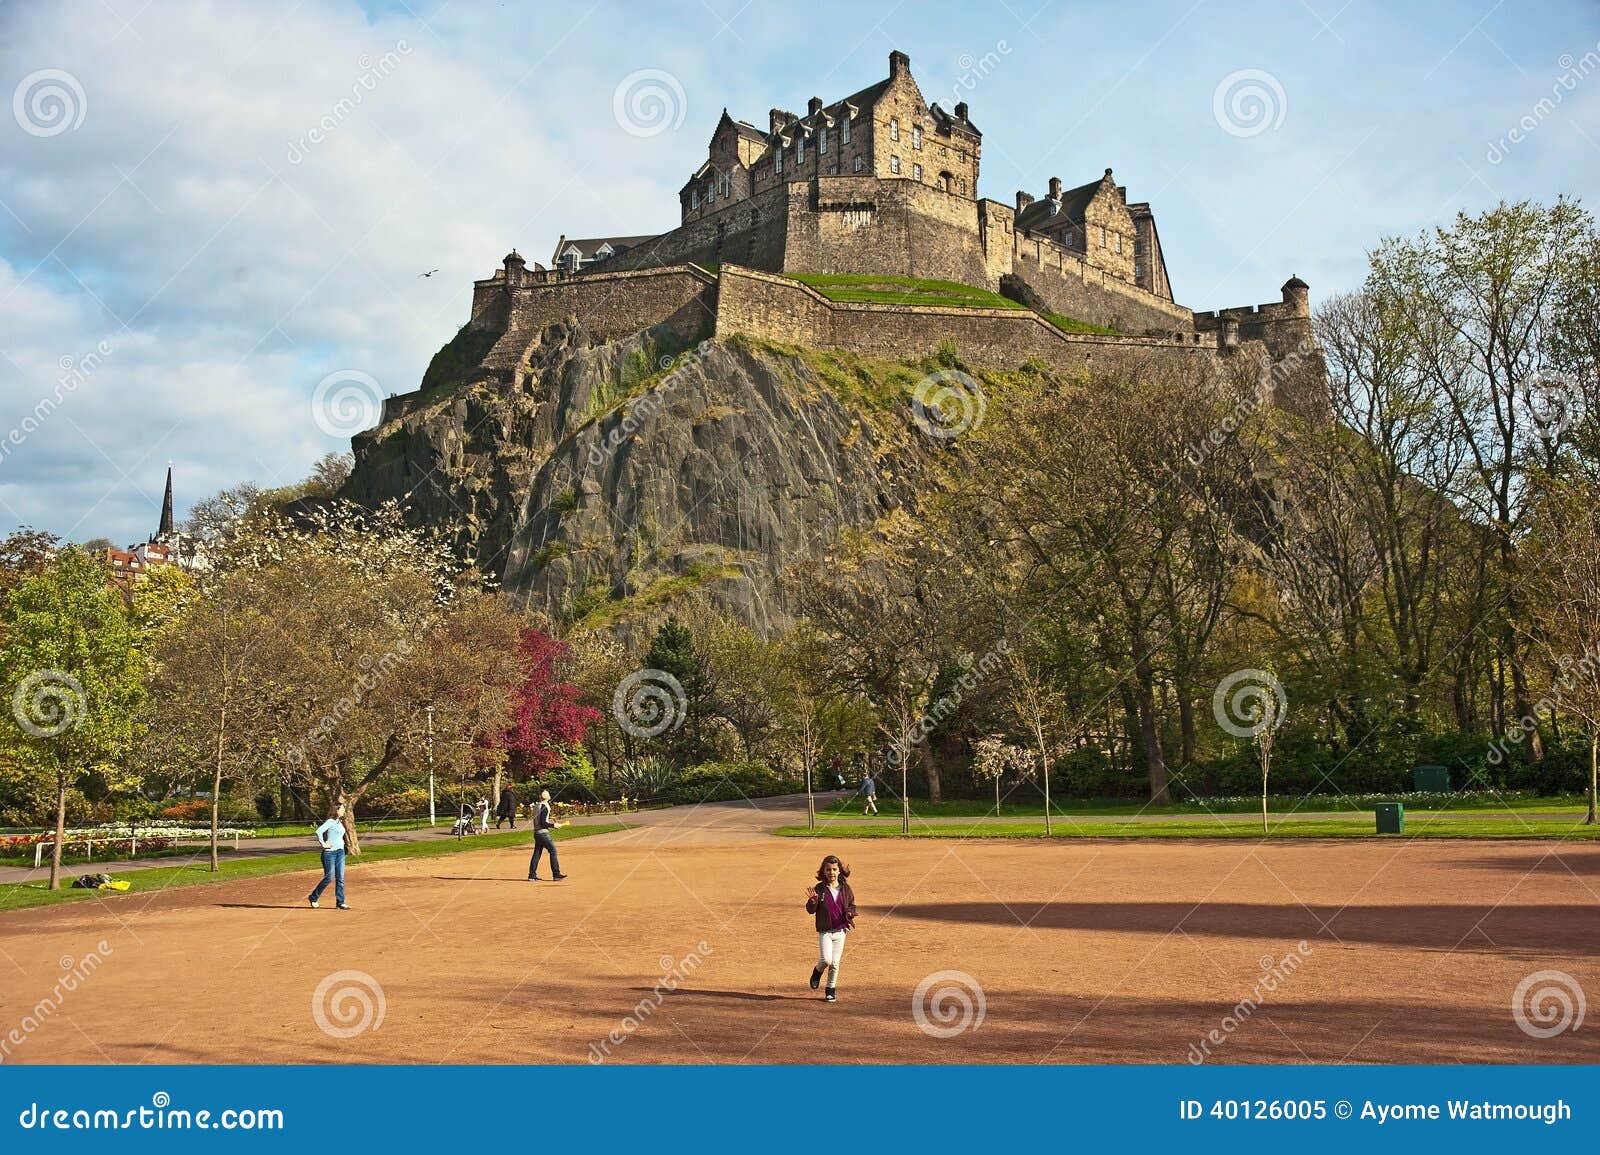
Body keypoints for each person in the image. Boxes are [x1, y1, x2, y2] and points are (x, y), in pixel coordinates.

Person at [804, 854, 855, 1002]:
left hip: (840, 930)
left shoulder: (846, 889)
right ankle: (817, 971)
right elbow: (810, 910)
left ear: (839, 871)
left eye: (834, 869)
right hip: (825, 931)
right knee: (826, 959)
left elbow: (851, 904)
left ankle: (830, 990)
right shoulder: (819, 889)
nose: (831, 872)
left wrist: (850, 913)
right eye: (828, 869)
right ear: (823, 871)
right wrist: (812, 901)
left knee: (835, 963)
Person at [308, 802, 350, 910]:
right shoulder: (330, 822)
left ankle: (340, 902)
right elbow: (319, 831)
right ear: (336, 810)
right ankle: (313, 897)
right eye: (342, 809)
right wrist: (323, 844)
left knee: (340, 878)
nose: (344, 810)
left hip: (340, 852)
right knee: (329, 877)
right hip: (329, 853)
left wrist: (344, 846)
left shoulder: (339, 822)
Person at [527, 789, 568, 881]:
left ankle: (532, 875)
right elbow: (543, 823)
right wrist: (554, 825)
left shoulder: (537, 805)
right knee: (553, 851)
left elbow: (540, 817)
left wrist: (549, 818)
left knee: (537, 854)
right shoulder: (545, 807)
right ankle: (556, 874)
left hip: (536, 833)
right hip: (543, 833)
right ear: (548, 797)